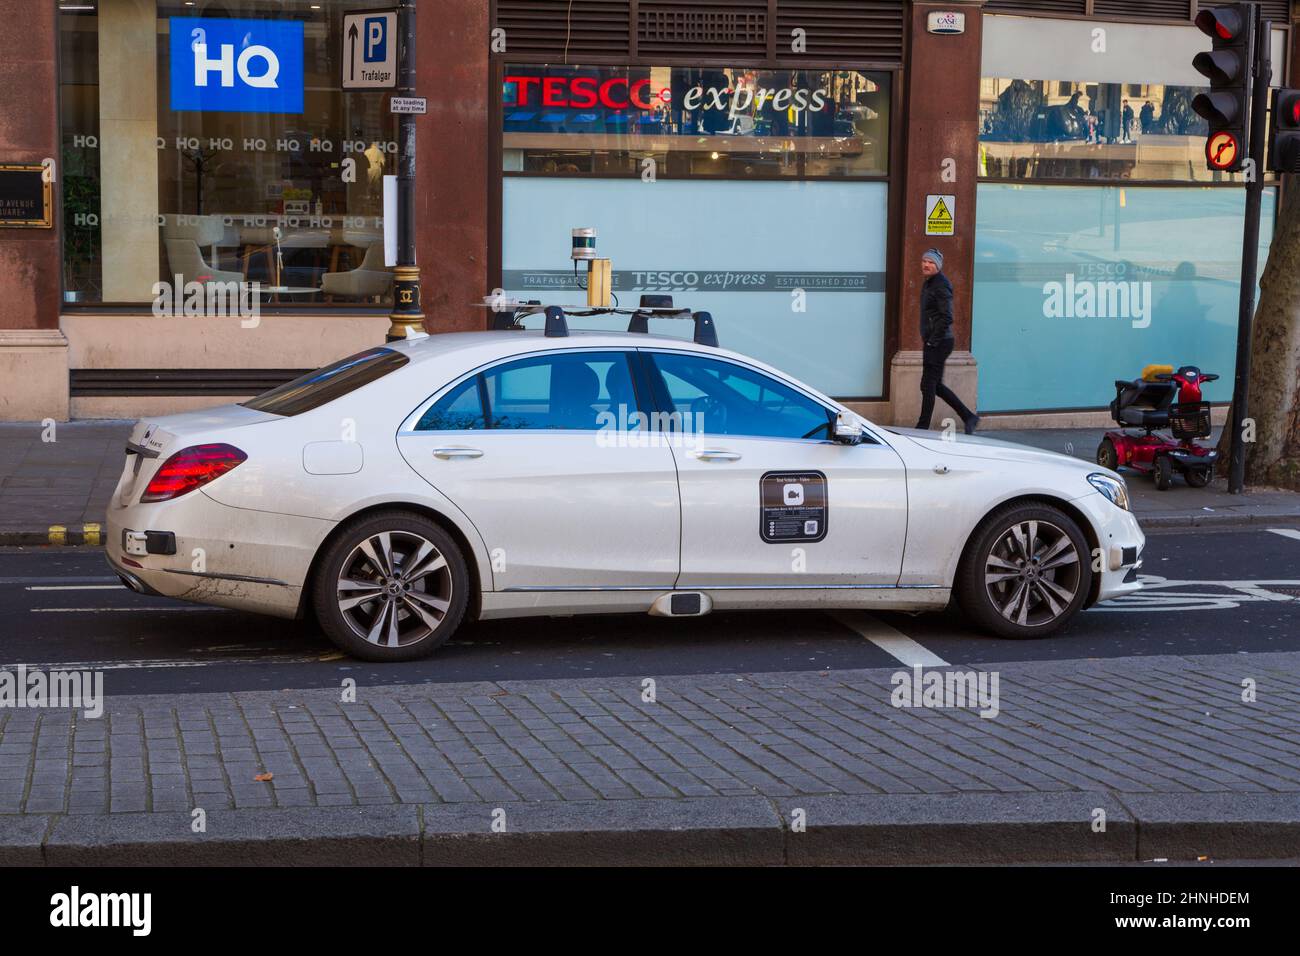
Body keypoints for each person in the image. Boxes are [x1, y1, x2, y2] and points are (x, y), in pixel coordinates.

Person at [917, 249, 979, 434]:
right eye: (924, 261)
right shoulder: (929, 283)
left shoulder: (941, 285)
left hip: (939, 342)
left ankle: (922, 428)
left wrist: (932, 341)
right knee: (934, 385)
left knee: (928, 385)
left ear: (938, 266)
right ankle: (968, 417)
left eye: (931, 262)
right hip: (936, 341)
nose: (926, 265)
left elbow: (947, 317)